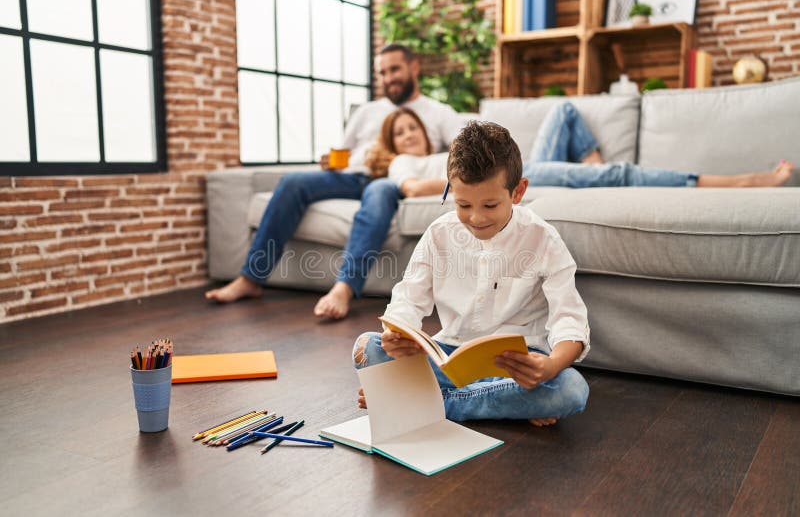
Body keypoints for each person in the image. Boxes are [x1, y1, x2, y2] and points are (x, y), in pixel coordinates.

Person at [352, 121, 591, 427]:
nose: (476, 218)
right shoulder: (440, 233)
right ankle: (498, 404)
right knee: (365, 348)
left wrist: (549, 367)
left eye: (490, 205)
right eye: (463, 204)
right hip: (449, 356)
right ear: (450, 189)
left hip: (516, 365)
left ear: (518, 192)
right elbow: (408, 302)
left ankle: (417, 402)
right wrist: (396, 336)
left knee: (571, 390)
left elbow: (569, 318)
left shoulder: (543, 239)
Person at [205, 44, 464, 319]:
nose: (389, 78)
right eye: (383, 73)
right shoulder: (367, 111)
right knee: (293, 183)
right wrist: (332, 162)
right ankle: (251, 278)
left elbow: (461, 154)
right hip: (353, 176)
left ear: (414, 67)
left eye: (394, 69)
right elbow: (344, 151)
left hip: (392, 180)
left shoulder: (439, 112)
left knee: (377, 194)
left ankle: (343, 288)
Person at [523, 101, 795, 187]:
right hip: (511, 176)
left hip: (519, 169)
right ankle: (742, 181)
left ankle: (596, 171)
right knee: (620, 174)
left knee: (564, 110)